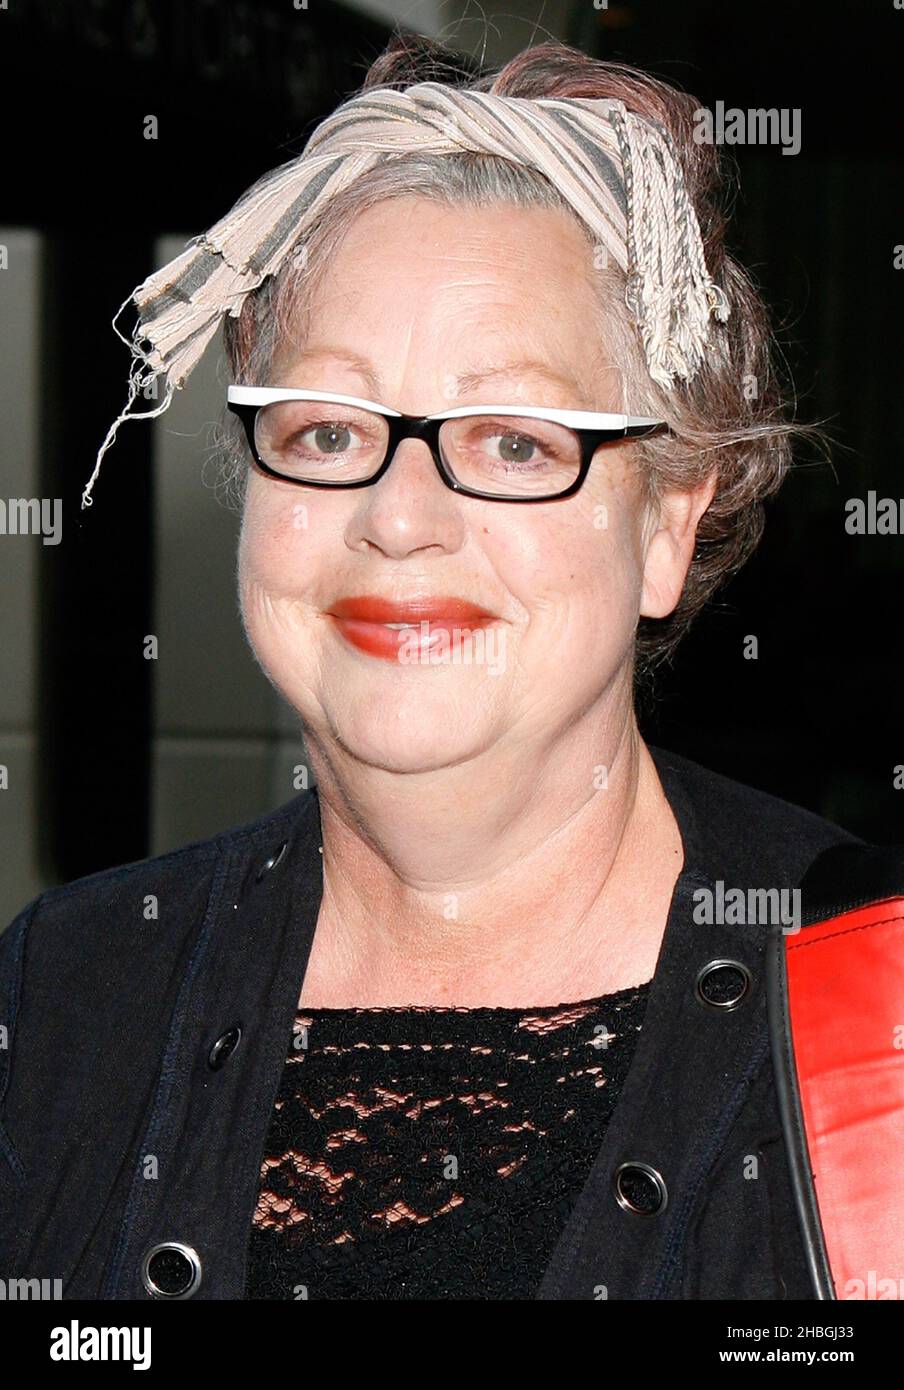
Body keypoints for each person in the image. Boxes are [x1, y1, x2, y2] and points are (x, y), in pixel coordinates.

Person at [0, 34, 866, 1301]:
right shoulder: (64, 994)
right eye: (331, 428)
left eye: (514, 441)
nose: (399, 516)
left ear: (667, 527)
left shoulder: (869, 1008)